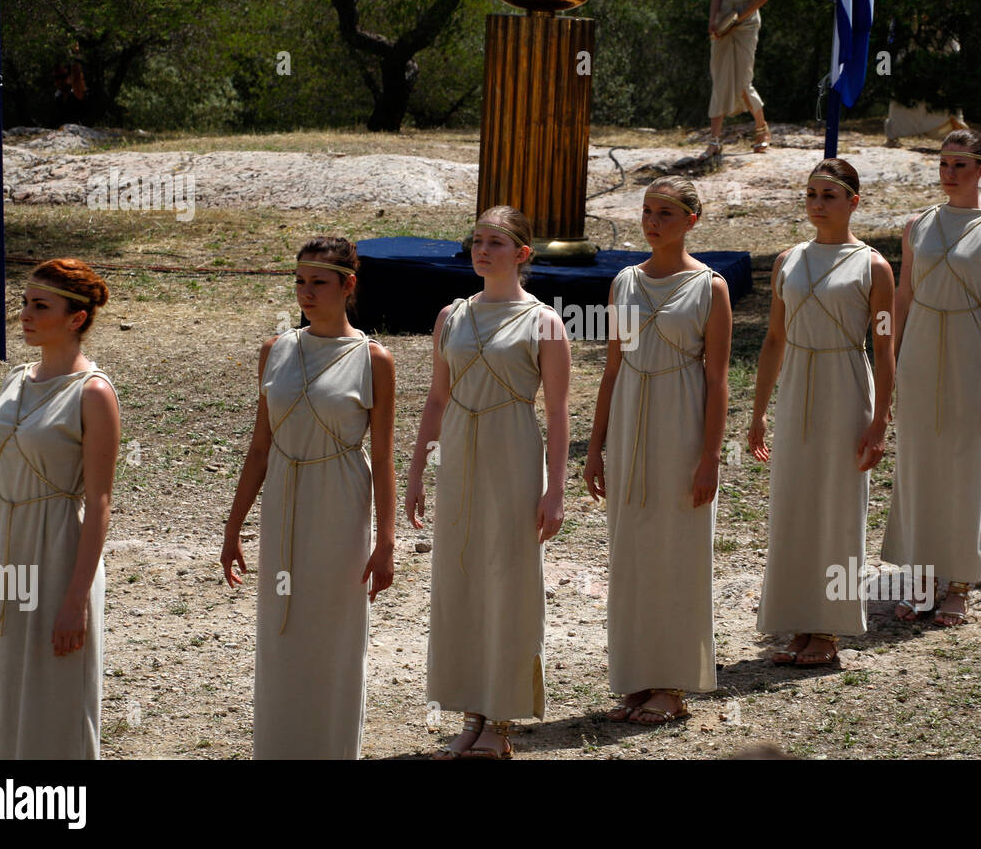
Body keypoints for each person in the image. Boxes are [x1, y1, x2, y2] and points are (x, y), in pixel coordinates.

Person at [221, 237, 397, 759]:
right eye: (300, 281)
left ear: (348, 286)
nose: (306, 292)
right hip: (284, 501)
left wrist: (385, 541)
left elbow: (385, 458)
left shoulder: (373, 359)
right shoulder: (274, 351)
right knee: (283, 627)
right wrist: (233, 529)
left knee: (333, 633)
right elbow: (259, 448)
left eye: (319, 281)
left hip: (341, 505)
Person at [406, 206, 570, 760]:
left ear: (522, 254)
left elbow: (558, 411)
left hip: (513, 455)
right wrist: (418, 471)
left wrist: (555, 490)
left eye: (495, 243)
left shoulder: (544, 321)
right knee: (464, 578)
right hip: (458, 457)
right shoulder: (451, 315)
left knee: (509, 581)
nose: (482, 250)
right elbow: (436, 398)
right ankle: (474, 711)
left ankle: (501, 721)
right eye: (477, 241)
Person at [585, 175, 732, 724]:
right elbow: (614, 366)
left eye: (666, 213)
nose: (652, 222)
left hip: (682, 427)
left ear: (692, 220)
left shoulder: (709, 287)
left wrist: (710, 457)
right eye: (647, 211)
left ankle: (674, 682)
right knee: (633, 552)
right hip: (629, 426)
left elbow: (718, 381)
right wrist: (596, 446)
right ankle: (637, 675)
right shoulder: (623, 282)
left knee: (677, 551)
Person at [0, 258, 120, 758]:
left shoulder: (93, 393)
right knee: (9, 686)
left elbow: (98, 502)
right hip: (9, 547)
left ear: (76, 318)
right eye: (25, 303)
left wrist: (75, 599)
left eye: (40, 306)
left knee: (59, 692)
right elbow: (9, 485)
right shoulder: (16, 379)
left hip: (60, 551)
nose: (25, 315)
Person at [749, 159, 895, 665]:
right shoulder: (788, 260)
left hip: (846, 386)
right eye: (811, 194)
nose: (817, 203)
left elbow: (883, 346)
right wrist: (759, 411)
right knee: (793, 505)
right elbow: (773, 339)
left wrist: (879, 422)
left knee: (836, 506)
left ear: (853, 201)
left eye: (829, 195)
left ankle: (828, 632)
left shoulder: (874, 266)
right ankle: (798, 620)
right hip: (796, 387)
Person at [882, 130, 981, 626]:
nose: (950, 172)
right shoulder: (918, 225)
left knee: (964, 461)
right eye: (944, 163)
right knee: (918, 459)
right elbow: (902, 296)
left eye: (961, 164)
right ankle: (920, 577)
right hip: (918, 346)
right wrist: (888, 363)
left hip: (968, 346)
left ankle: (959, 580)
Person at [702, 0, 774, 158]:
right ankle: (714, 140)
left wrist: (736, 19)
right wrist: (714, 21)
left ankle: (762, 129)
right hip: (722, 22)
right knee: (720, 78)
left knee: (743, 80)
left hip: (745, 23)